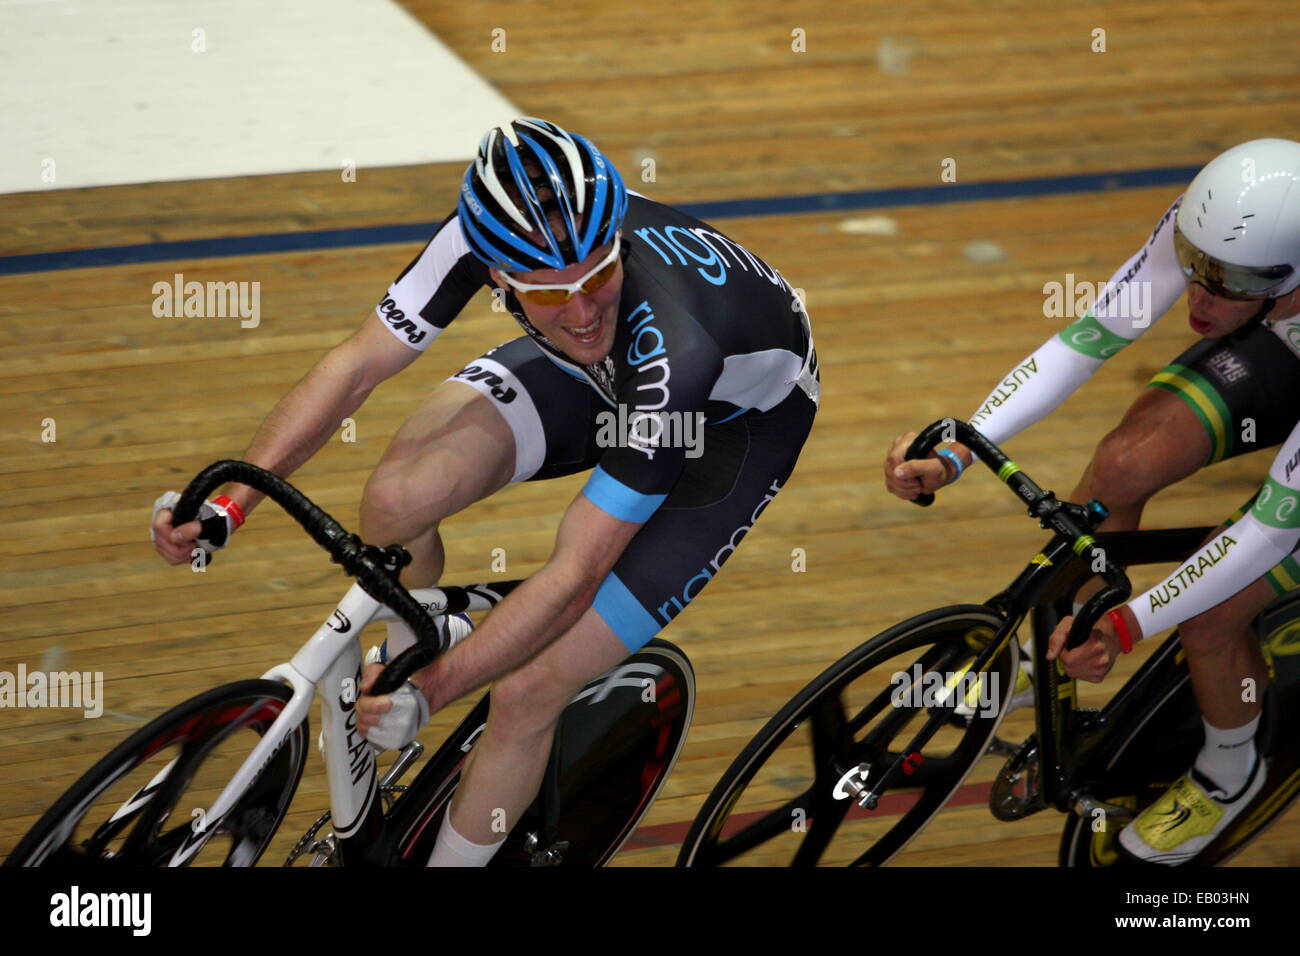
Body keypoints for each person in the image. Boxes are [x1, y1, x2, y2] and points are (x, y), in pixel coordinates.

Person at [151, 117, 818, 866]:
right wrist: (231, 503)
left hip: (721, 432)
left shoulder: (674, 349)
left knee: (531, 684)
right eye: (547, 292)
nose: (581, 308)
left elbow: (574, 576)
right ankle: (414, 647)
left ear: (615, 241)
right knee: (398, 500)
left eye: (600, 274)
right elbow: (357, 367)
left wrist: (432, 691)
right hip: (592, 378)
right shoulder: (489, 232)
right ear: (498, 274)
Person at [882, 138, 1300, 864]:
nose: (1196, 298)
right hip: (1282, 334)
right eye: (1195, 267)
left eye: (1224, 284)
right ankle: (1040, 655)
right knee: (1124, 462)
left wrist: (1133, 625)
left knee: (1209, 609)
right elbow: (1089, 336)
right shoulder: (1220, 229)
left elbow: (1270, 526)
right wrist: (958, 449)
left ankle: (1231, 771)